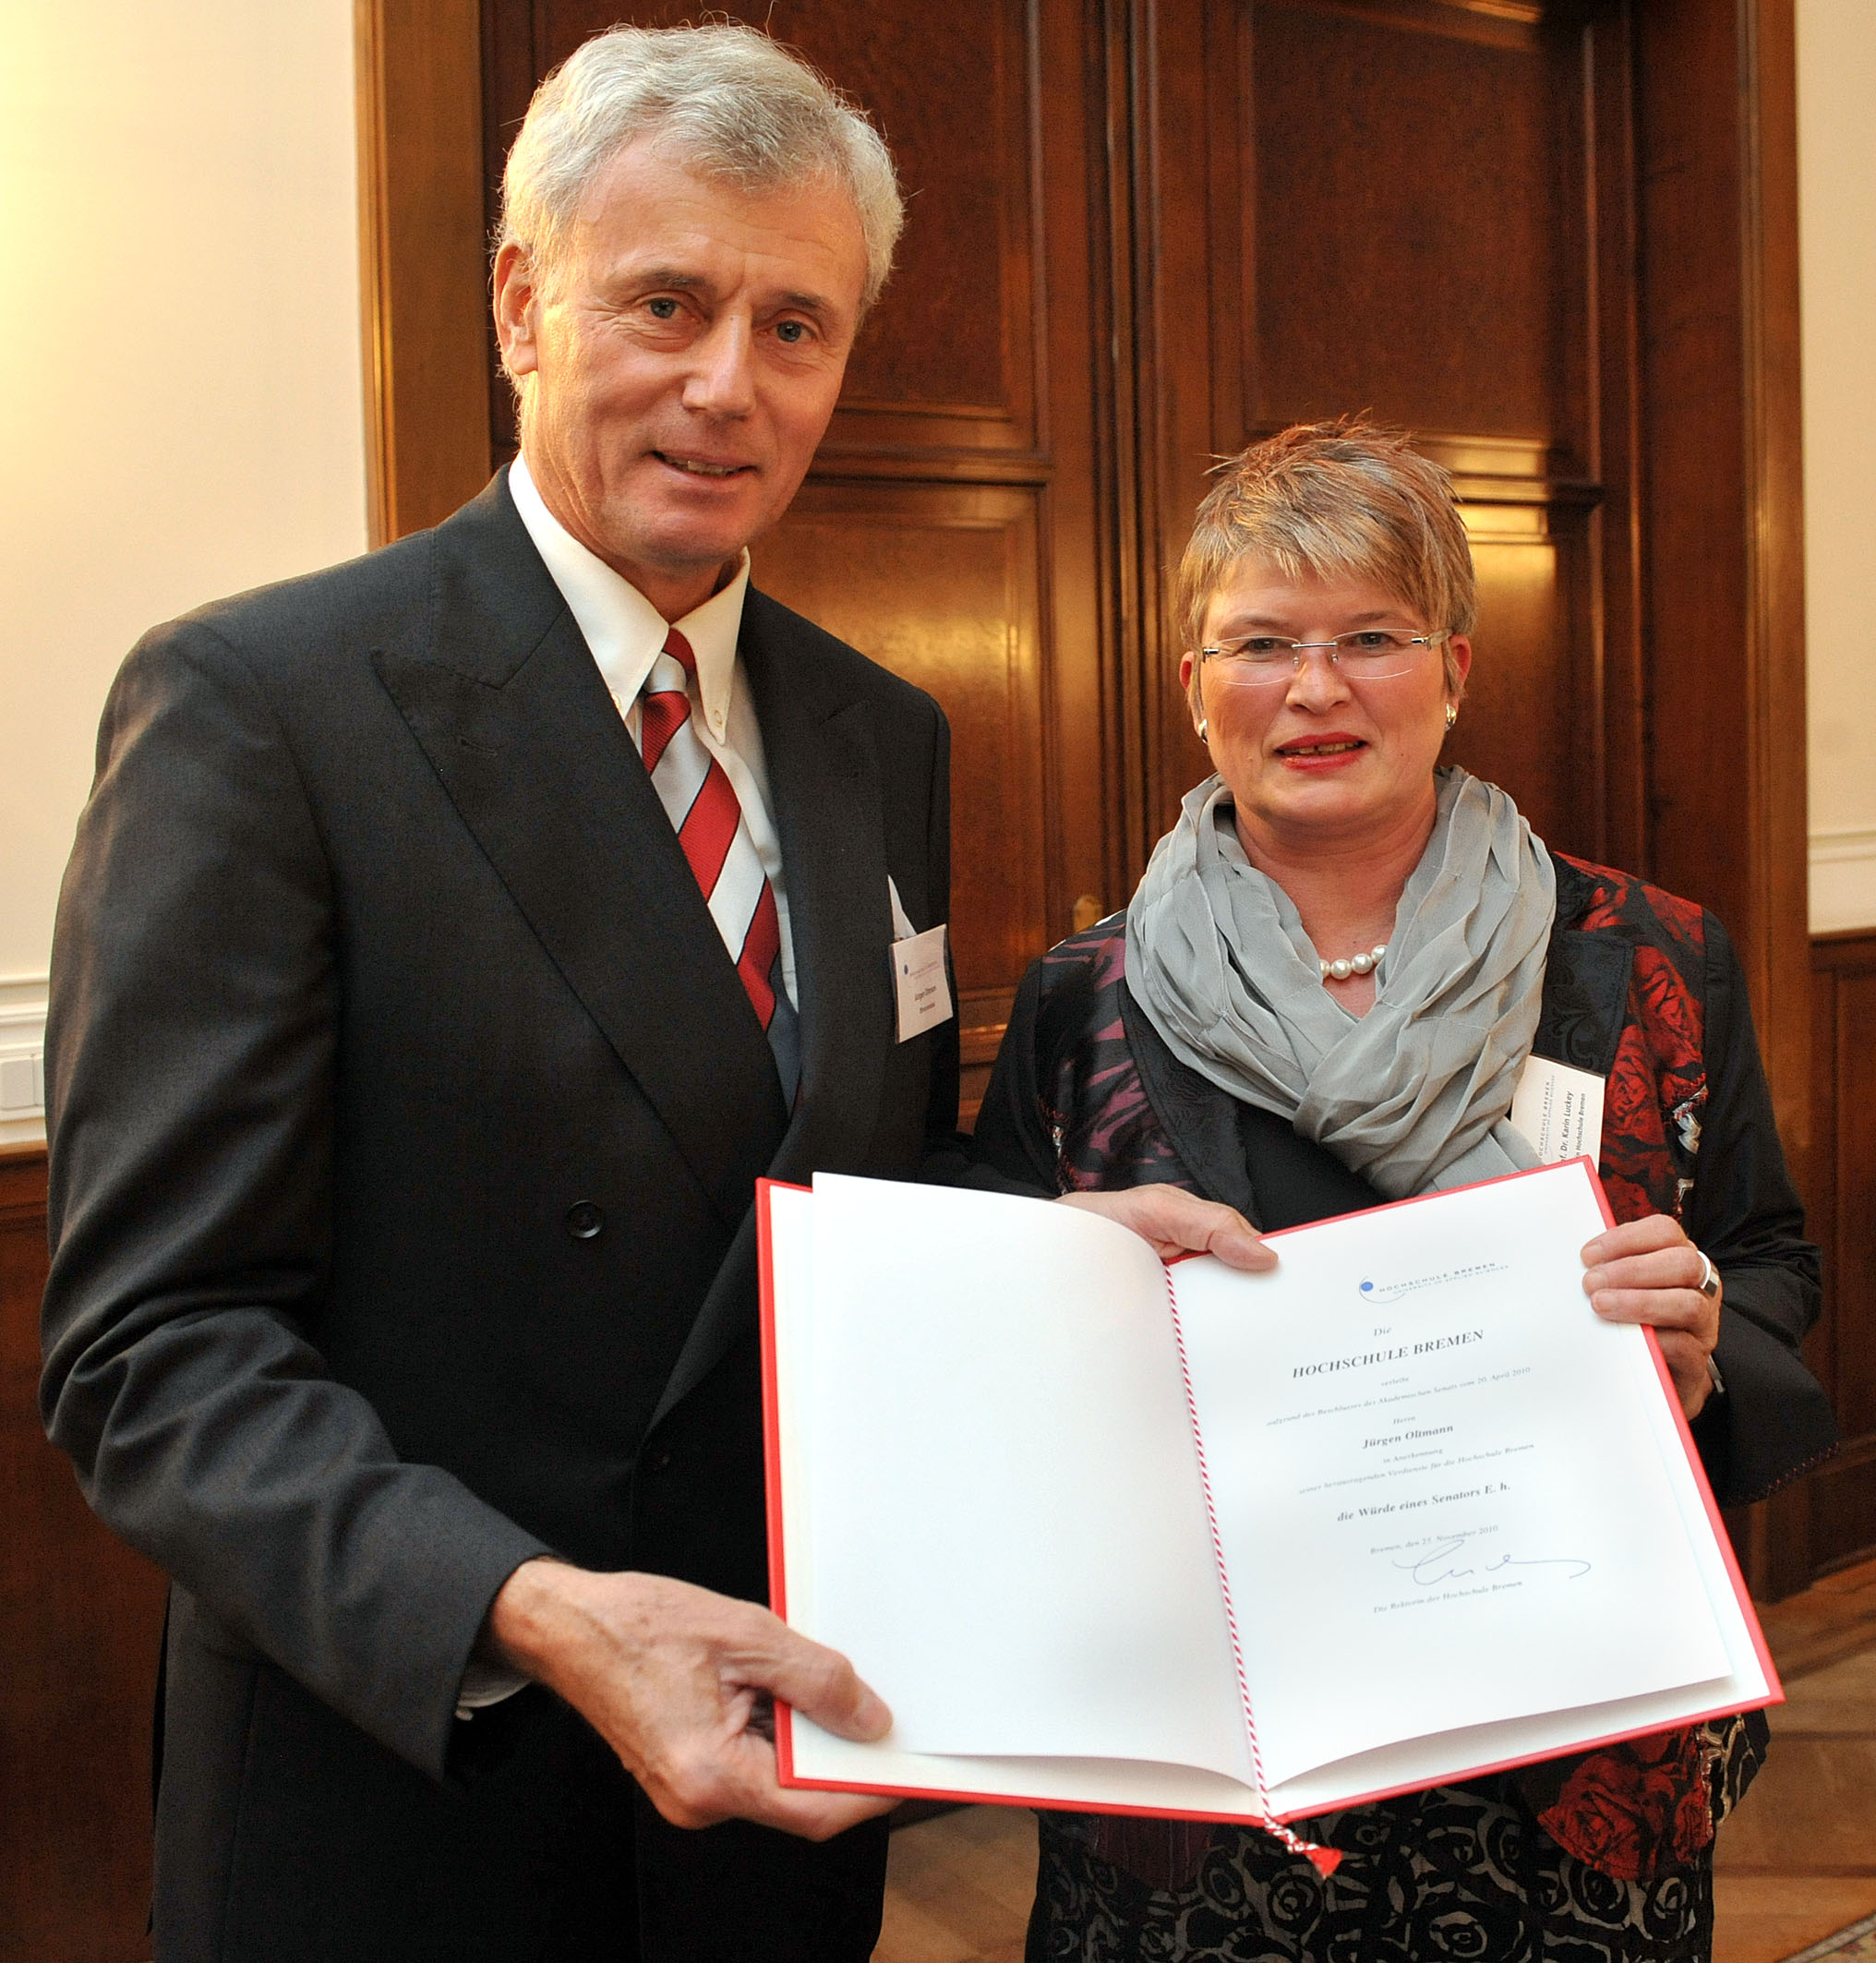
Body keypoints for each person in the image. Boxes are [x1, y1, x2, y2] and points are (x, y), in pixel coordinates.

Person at [42, 24, 1031, 1961]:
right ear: (521, 299)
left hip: (769, 1790)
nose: (726, 387)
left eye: (795, 326)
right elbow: (149, 1352)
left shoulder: (877, 734)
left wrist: (1076, 1247)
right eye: (665, 301)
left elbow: (839, 1205)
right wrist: (540, 1615)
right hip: (413, 1791)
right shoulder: (267, 709)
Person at [972, 418, 1837, 1963]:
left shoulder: (1647, 962)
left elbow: (1769, 1260)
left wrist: (1701, 1327)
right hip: (1212, 1767)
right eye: (1261, 643)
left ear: (1453, 666)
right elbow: (983, 1321)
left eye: (1369, 636)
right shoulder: (1084, 1001)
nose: (1314, 689)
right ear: (1193, 685)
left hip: (1562, 1743)